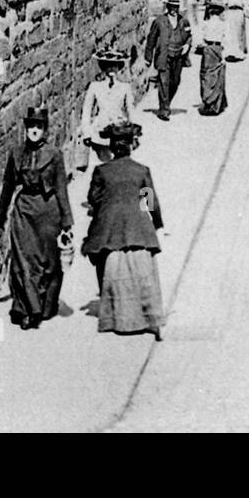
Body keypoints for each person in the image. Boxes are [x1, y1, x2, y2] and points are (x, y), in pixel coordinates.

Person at [82, 122, 165, 339]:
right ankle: (146, 317)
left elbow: (93, 199)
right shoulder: (141, 171)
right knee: (144, 274)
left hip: (109, 231)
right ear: (131, 146)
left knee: (106, 265)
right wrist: (157, 224)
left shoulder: (102, 171)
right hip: (138, 229)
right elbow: (149, 203)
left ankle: (114, 317)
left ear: (111, 147)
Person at [0, 108, 73, 331]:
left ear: (45, 129)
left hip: (48, 212)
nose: (34, 131)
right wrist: (1, 215)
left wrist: (66, 221)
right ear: (26, 129)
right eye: (31, 126)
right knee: (23, 260)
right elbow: (8, 185)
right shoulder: (16, 153)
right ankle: (27, 309)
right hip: (24, 212)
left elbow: (61, 188)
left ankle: (45, 306)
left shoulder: (54, 155)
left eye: (39, 127)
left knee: (48, 261)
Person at [79, 48, 137, 169]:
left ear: (119, 67)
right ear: (103, 67)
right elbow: (87, 110)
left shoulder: (125, 87)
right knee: (102, 166)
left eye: (114, 66)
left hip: (120, 132)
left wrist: (134, 132)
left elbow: (131, 110)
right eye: (108, 65)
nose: (111, 69)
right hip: (100, 132)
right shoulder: (95, 86)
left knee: (119, 166)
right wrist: (87, 132)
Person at [143, 0, 191, 121]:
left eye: (176, 7)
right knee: (164, 82)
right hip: (164, 56)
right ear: (167, 7)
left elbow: (189, 36)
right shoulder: (159, 21)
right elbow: (151, 39)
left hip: (178, 56)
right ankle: (164, 110)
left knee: (175, 82)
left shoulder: (184, 21)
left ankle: (166, 103)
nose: (174, 10)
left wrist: (187, 45)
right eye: (171, 7)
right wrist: (148, 57)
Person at [195, 0, 228, 116]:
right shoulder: (223, 24)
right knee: (218, 75)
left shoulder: (205, 24)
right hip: (218, 49)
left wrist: (202, 46)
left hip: (208, 50)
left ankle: (208, 101)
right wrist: (224, 56)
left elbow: (199, 39)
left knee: (207, 75)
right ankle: (216, 104)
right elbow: (226, 40)